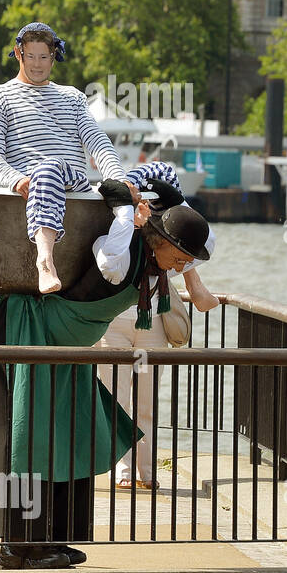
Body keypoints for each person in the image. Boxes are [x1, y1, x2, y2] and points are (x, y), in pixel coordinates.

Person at [0, 178, 216, 570]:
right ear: (161, 242)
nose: (185, 263)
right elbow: (108, 245)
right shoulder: (124, 252)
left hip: (66, 349)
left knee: (76, 434)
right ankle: (19, 546)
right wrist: (123, 204)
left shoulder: (156, 258)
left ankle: (56, 536)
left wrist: (173, 198)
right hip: (35, 335)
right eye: (183, 255)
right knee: (31, 439)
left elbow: (203, 241)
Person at [0, 22, 140, 294]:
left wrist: (119, 179)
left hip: (70, 181)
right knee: (45, 170)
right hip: (28, 186)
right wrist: (15, 179)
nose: (38, 64)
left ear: (54, 57)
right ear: (19, 54)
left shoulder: (73, 97)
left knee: (160, 174)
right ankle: (45, 260)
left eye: (44, 57)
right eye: (31, 56)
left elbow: (97, 142)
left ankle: (191, 276)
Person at [95, 178, 219, 490]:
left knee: (145, 402)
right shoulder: (127, 237)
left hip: (150, 323)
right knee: (116, 398)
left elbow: (205, 240)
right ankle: (121, 470)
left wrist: (179, 203)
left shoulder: (174, 246)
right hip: (116, 321)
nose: (144, 207)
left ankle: (145, 471)